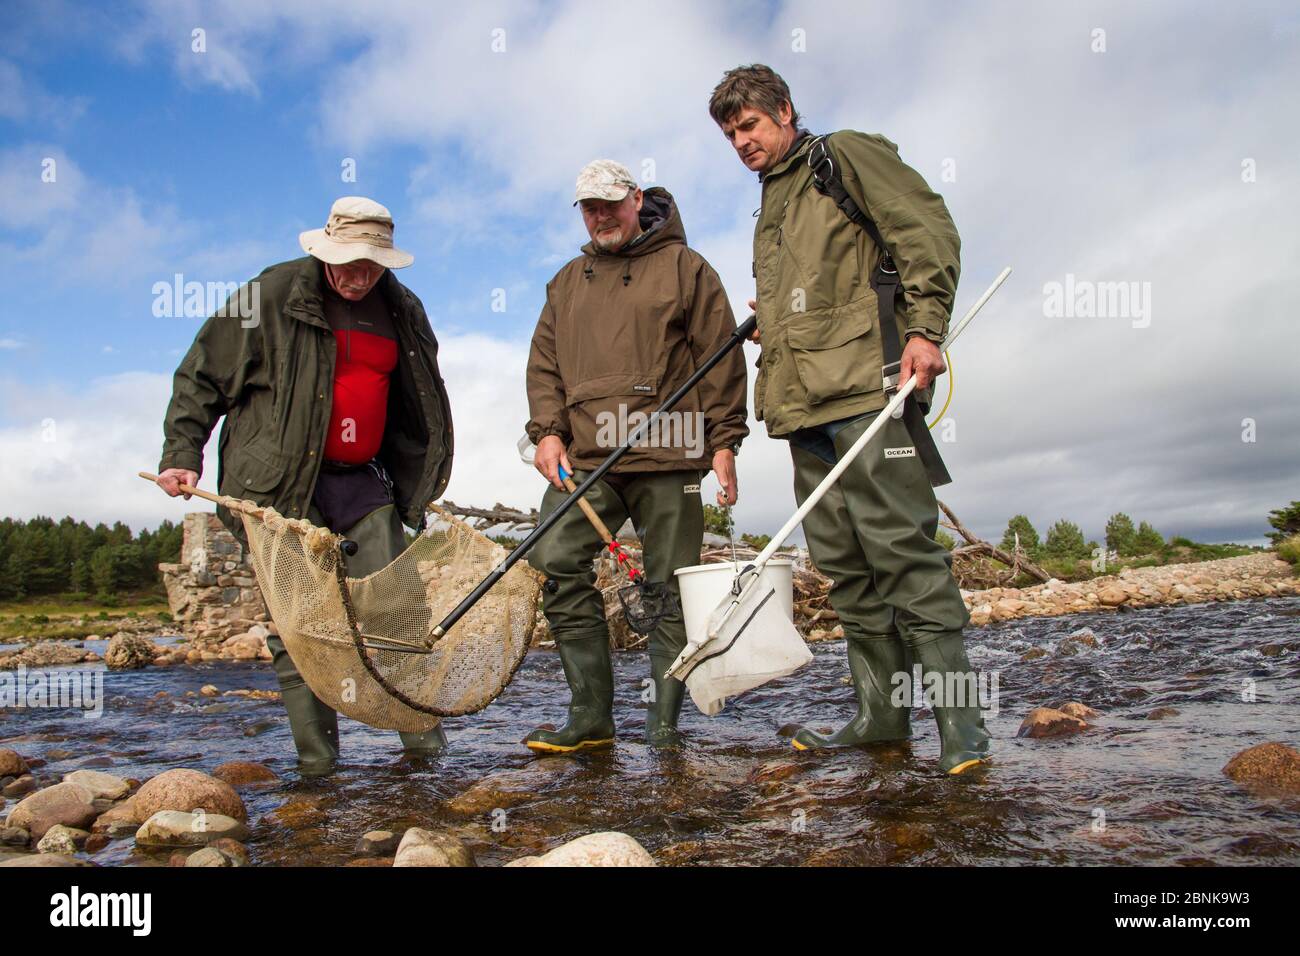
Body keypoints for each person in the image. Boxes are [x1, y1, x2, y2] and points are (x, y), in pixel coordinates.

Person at [708, 65, 990, 774]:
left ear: (784, 111)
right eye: (730, 133)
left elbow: (928, 231)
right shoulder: (771, 203)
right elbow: (828, 290)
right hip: (801, 410)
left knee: (907, 560)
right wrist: (776, 324)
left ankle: (962, 730)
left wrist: (926, 328)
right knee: (846, 570)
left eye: (750, 125)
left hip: (869, 392)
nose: (742, 141)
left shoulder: (845, 156)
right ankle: (881, 718)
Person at [156, 196, 454, 775]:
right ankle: (319, 771)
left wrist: (419, 478)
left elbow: (422, 396)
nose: (358, 274)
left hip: (365, 482)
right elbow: (200, 376)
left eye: (372, 263)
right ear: (324, 248)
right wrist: (181, 451)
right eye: (348, 260)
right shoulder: (269, 295)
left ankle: (427, 759)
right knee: (301, 627)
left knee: (399, 614)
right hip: (278, 491)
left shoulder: (401, 308)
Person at [524, 160, 749, 751]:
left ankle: (664, 727)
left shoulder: (686, 267)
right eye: (589, 208)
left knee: (668, 588)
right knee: (554, 559)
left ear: (636, 199)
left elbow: (722, 357)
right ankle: (591, 716)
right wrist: (547, 432)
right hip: (589, 457)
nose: (600, 217)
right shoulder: (567, 282)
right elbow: (544, 366)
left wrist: (724, 441)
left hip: (672, 453)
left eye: (609, 204)